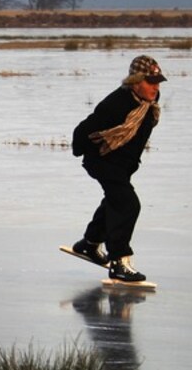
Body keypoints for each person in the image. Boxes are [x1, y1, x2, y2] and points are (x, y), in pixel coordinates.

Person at [70, 55, 167, 282]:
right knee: (128, 204)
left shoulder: (147, 104)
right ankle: (119, 261)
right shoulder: (117, 103)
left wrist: (129, 165)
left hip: (122, 166)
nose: (156, 87)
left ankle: (90, 244)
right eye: (151, 82)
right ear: (136, 82)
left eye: (158, 81)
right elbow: (84, 129)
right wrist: (79, 151)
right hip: (101, 161)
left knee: (115, 201)